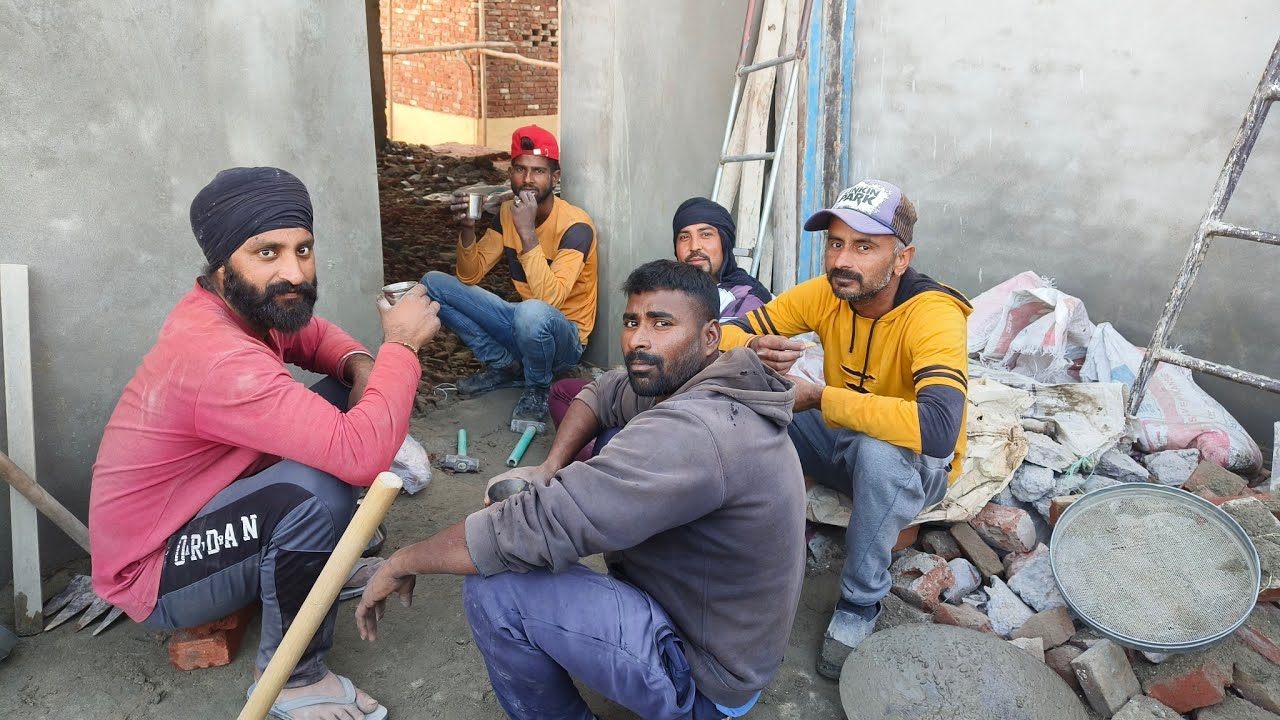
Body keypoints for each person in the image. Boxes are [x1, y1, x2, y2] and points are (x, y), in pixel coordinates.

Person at [357, 260, 805, 720]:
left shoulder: (699, 431)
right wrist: (549, 467)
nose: (639, 339)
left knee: (497, 589)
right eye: (632, 321)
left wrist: (403, 559)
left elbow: (538, 526)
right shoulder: (694, 377)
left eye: (662, 323)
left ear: (711, 336)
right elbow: (603, 391)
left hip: (707, 680)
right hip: (717, 631)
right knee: (612, 436)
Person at [90, 167, 440, 720]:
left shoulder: (241, 307)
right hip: (155, 572)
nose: (294, 271)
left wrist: (361, 364)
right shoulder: (218, 356)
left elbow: (314, 335)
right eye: (267, 252)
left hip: (199, 511)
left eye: (303, 249)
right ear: (223, 266)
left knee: (337, 400)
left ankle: (317, 566)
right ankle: (292, 680)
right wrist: (400, 346)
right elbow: (364, 454)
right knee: (313, 491)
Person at [719, 180, 972, 679]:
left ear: (901, 259)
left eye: (863, 246)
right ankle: (736, 541)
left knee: (878, 452)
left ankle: (860, 601)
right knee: (748, 396)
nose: (841, 260)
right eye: (835, 243)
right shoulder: (828, 293)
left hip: (912, 462)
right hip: (841, 439)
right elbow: (728, 331)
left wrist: (821, 398)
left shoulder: (934, 314)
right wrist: (749, 349)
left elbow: (939, 428)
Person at [548, 197, 772, 459]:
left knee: (613, 437)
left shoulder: (748, 297)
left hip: (699, 406)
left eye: (706, 235)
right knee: (563, 393)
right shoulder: (668, 289)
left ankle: (602, 459)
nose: (694, 246)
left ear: (725, 241)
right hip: (653, 389)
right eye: (684, 237)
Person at [423, 125, 598, 429]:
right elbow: (470, 275)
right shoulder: (507, 213)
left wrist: (527, 232)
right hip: (525, 325)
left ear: (555, 178)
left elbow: (550, 300)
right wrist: (467, 229)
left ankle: (538, 387)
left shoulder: (576, 226)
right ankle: (504, 364)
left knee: (532, 311)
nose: (528, 180)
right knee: (433, 284)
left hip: (565, 339)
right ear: (510, 174)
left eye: (538, 171)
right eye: (520, 169)